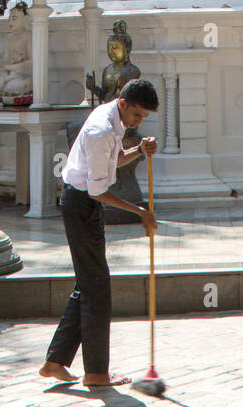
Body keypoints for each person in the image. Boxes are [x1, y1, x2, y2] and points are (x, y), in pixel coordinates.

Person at [39, 77, 160, 388]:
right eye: (137, 115)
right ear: (123, 104)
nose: (138, 121)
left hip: (84, 203)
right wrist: (140, 212)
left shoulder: (114, 119)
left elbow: (114, 161)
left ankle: (55, 362)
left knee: (89, 283)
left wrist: (138, 149)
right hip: (81, 204)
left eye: (143, 118)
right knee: (97, 288)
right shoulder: (101, 129)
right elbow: (98, 191)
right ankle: (96, 373)